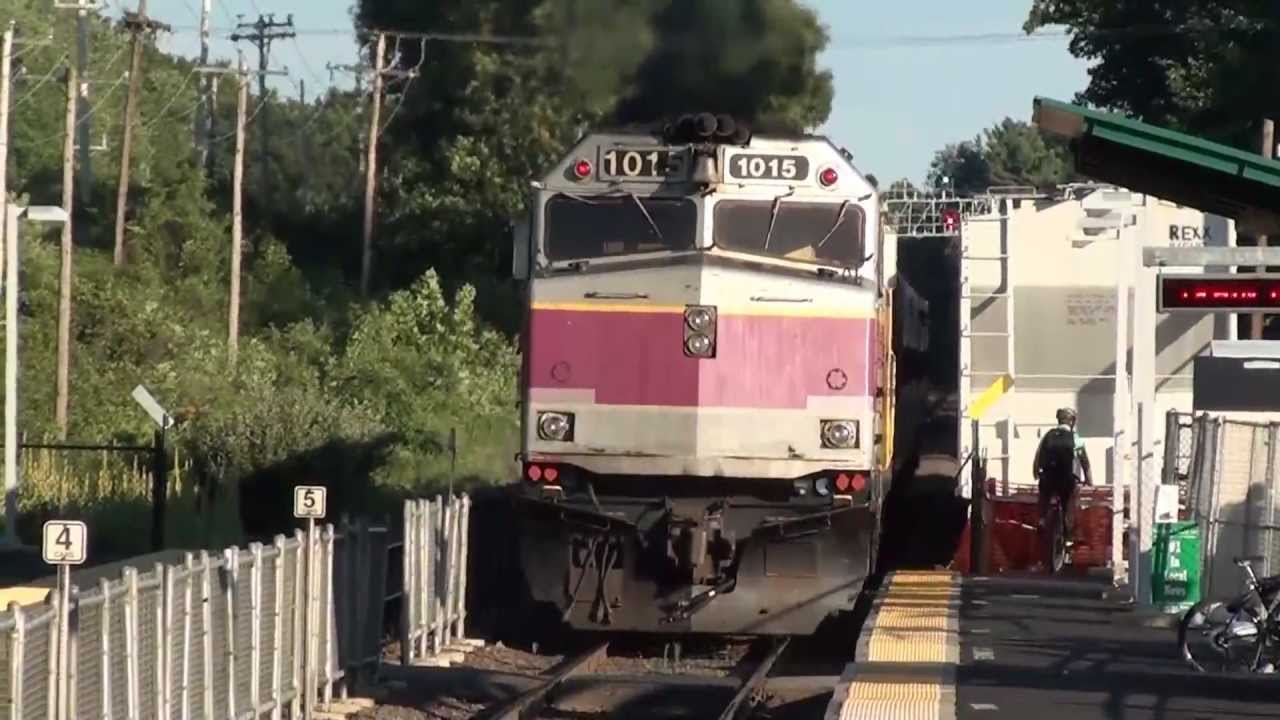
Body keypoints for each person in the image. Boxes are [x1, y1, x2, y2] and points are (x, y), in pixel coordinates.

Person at [1033, 407, 1093, 546]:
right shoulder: (1075, 438)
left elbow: (1038, 456)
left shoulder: (1048, 435)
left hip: (1047, 477)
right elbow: (1085, 461)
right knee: (1069, 502)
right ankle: (1068, 533)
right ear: (1072, 421)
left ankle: (1041, 520)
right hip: (1065, 479)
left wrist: (1036, 472)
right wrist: (1089, 481)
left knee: (1044, 497)